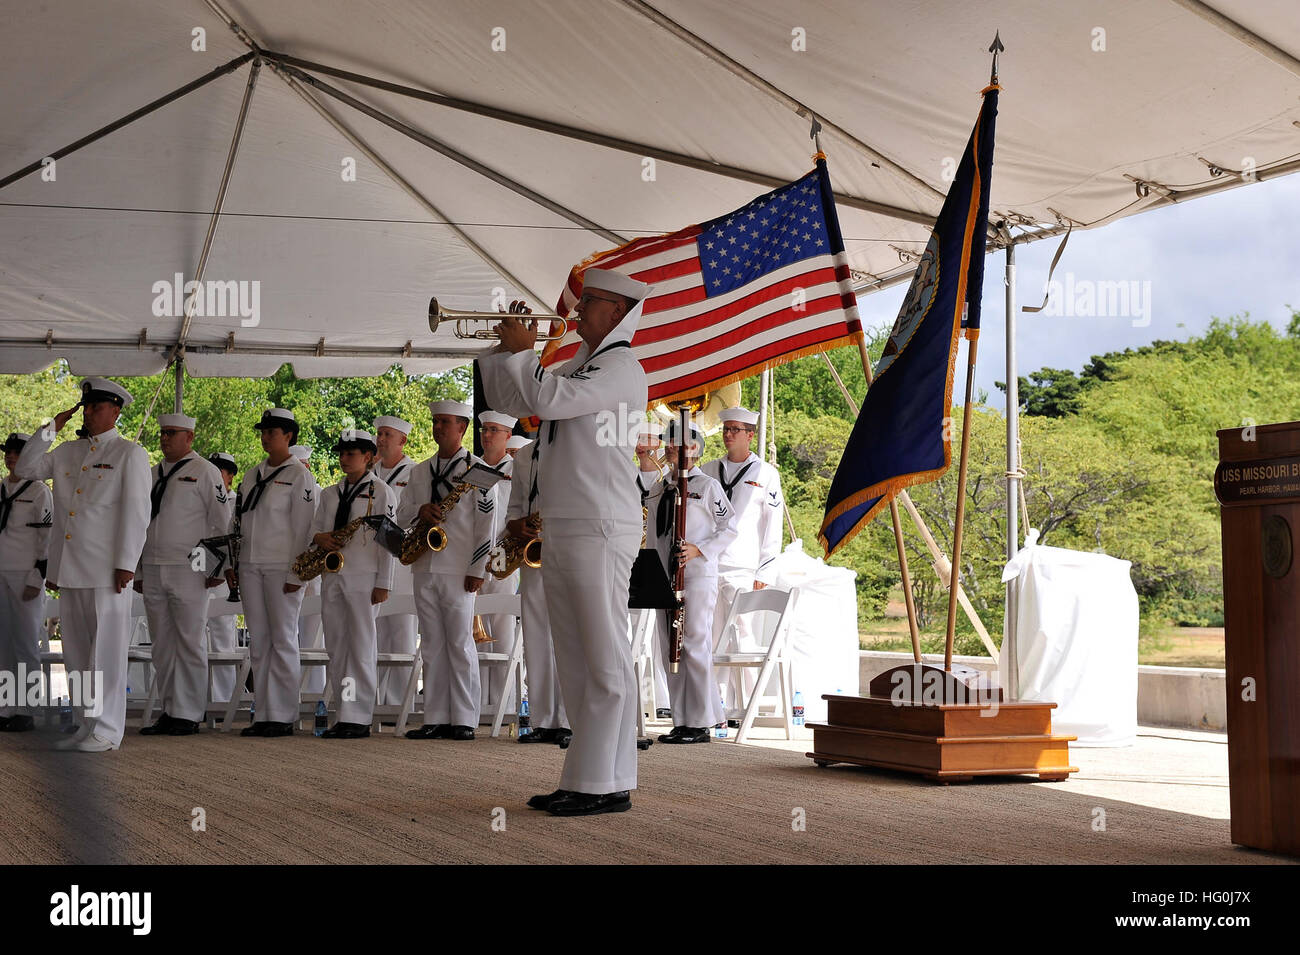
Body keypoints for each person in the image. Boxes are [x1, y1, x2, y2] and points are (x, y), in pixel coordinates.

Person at [479, 267, 649, 816]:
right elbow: (515, 396)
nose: (575, 310)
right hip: (569, 522)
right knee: (577, 655)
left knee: (601, 656)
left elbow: (547, 400)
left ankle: (604, 781)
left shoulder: (623, 367)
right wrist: (507, 347)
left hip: (599, 523)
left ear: (619, 311)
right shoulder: (581, 362)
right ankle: (592, 774)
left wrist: (527, 354)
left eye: (589, 300)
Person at [16, 378, 151, 751]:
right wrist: (50, 428)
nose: (89, 412)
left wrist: (127, 562)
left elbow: (137, 513)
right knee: (75, 653)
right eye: (86, 406)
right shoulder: (67, 452)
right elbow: (26, 468)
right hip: (71, 567)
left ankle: (107, 729)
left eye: (97, 406)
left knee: (104, 651)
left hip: (108, 568)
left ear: (116, 411)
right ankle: (84, 722)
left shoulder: (129, 453)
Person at [397, 400, 495, 741]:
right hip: (424, 563)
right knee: (432, 643)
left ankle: (465, 718)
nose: (438, 427)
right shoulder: (420, 470)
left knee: (459, 642)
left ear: (462, 428)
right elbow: (402, 511)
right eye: (435, 421)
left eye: (445, 422)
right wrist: (419, 511)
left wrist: (478, 568)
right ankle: (435, 716)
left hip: (458, 568)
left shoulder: (479, 470)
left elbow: (487, 525)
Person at [638, 418, 736, 743]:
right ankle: (681, 719)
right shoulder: (659, 487)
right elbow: (652, 533)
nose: (671, 449)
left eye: (679, 443)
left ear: (695, 449)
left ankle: (700, 721)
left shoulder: (707, 487)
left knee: (693, 644)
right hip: (663, 574)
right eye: (668, 443)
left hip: (695, 575)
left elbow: (730, 527)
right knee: (670, 647)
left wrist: (699, 549)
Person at [135, 414, 229, 736]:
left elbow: (220, 522)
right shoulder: (152, 473)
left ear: (189, 437)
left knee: (188, 639)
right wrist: (138, 569)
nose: (164, 438)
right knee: (162, 643)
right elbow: (140, 524)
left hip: (190, 567)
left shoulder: (205, 471)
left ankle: (188, 713)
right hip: (154, 564)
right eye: (162, 433)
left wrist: (214, 566)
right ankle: (170, 708)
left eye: (172, 433)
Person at [303, 429, 396, 738]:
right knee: (337, 646)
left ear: (368, 457)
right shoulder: (330, 493)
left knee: (360, 647)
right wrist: (321, 538)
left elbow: (389, 542)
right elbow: (315, 528)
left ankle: (358, 717)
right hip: (333, 575)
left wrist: (384, 581)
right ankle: (344, 713)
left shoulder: (381, 492)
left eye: (351, 454)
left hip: (364, 576)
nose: (344, 459)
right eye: (341, 454)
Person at [232, 409, 317, 737]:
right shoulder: (252, 473)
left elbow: (304, 528)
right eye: (263, 431)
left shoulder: (299, 476)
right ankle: (263, 711)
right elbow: (240, 519)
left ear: (289, 436)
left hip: (283, 566)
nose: (266, 436)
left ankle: (282, 714)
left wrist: (298, 574)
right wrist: (235, 564)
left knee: (282, 638)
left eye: (273, 431)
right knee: (260, 640)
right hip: (251, 565)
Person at [701, 407, 785, 720]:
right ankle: (714, 703)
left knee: (741, 632)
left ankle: (749, 703)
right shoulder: (709, 470)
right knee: (710, 634)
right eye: (726, 428)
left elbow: (771, 525)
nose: (729, 434)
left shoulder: (765, 474)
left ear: (750, 435)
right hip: (709, 563)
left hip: (743, 565)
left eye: (736, 429)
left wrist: (766, 569)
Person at [502, 435, 570, 746]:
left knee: (568, 637)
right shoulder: (525, 455)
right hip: (534, 552)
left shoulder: (577, 444)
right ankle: (544, 721)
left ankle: (570, 719)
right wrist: (516, 524)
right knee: (537, 636)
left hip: (569, 548)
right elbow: (515, 505)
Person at [0, 432, 52, 733]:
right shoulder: (1, 488)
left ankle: (28, 709)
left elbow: (47, 539)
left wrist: (37, 576)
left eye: (18, 453)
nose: (11, 458)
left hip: (25, 576)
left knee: (25, 645)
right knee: (3, 646)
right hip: (1, 572)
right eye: (8, 452)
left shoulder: (40, 491)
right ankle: (6, 707)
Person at [371, 416, 418, 708]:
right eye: (379, 434)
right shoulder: (368, 472)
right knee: (373, 634)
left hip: (401, 564)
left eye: (388, 434)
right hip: (371, 561)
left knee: (401, 634)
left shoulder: (415, 473)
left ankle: (401, 705)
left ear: (402, 441)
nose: (381, 439)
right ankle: (374, 701)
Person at [634, 420, 672, 720]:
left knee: (659, 634)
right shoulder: (626, 474)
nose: (641, 444)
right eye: (638, 438)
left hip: (657, 559)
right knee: (635, 633)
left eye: (647, 438)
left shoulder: (664, 479)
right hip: (632, 558)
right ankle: (641, 697)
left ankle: (663, 698)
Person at [476, 410, 518, 652]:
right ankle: (481, 691)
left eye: (493, 430)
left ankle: (505, 691)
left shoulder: (518, 468)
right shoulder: (472, 466)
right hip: (475, 553)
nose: (487, 435)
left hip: (504, 552)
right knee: (476, 626)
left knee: (502, 625)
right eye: (484, 430)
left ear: (508, 435)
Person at [204, 451, 240, 706]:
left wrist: (223, 570)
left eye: (220, 471)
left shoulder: (237, 503)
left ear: (230, 476)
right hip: (197, 573)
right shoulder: (201, 498)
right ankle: (201, 698)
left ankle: (225, 699)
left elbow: (234, 541)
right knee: (194, 637)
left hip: (223, 577)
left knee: (223, 638)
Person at [289, 444, 326, 697]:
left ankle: (315, 692)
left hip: (313, 571)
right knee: (289, 634)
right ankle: (292, 690)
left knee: (314, 637)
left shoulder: (321, 493)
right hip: (286, 569)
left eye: (303, 466)